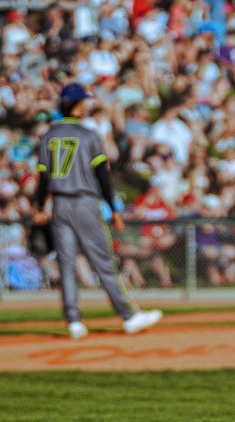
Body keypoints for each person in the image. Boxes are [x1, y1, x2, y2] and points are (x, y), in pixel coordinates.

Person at [33, 84, 161, 339]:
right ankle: (128, 315)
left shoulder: (48, 136)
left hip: (59, 204)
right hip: (83, 203)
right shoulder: (89, 135)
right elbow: (102, 174)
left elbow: (43, 177)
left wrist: (39, 207)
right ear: (78, 106)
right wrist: (114, 208)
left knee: (66, 264)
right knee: (103, 261)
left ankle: (74, 322)